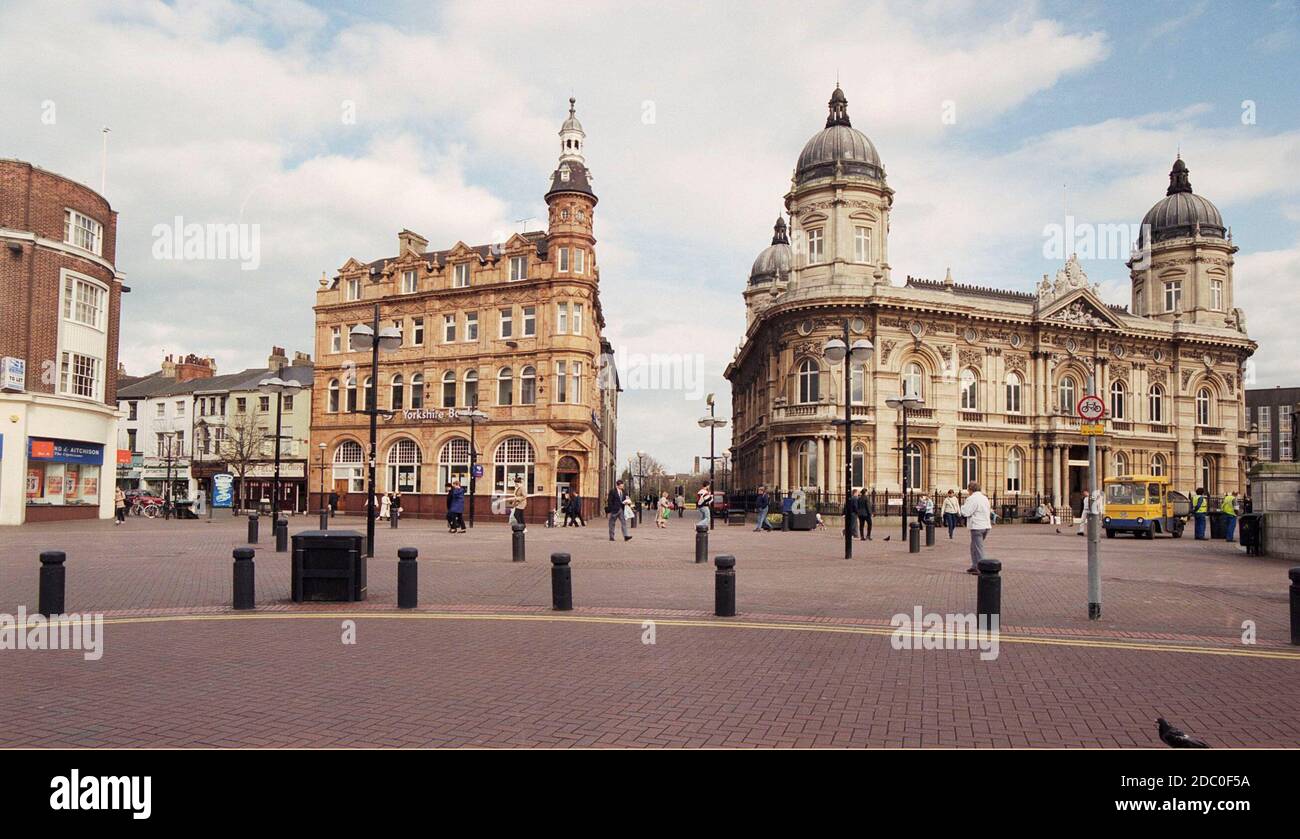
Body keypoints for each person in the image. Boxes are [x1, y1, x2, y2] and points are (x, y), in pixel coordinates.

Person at [959, 481, 992, 575]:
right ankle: (974, 565)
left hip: (977, 526)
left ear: (970, 489)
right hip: (986, 525)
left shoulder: (972, 499)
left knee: (978, 548)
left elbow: (966, 512)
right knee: (974, 546)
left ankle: (981, 568)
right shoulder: (984, 498)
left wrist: (961, 507)